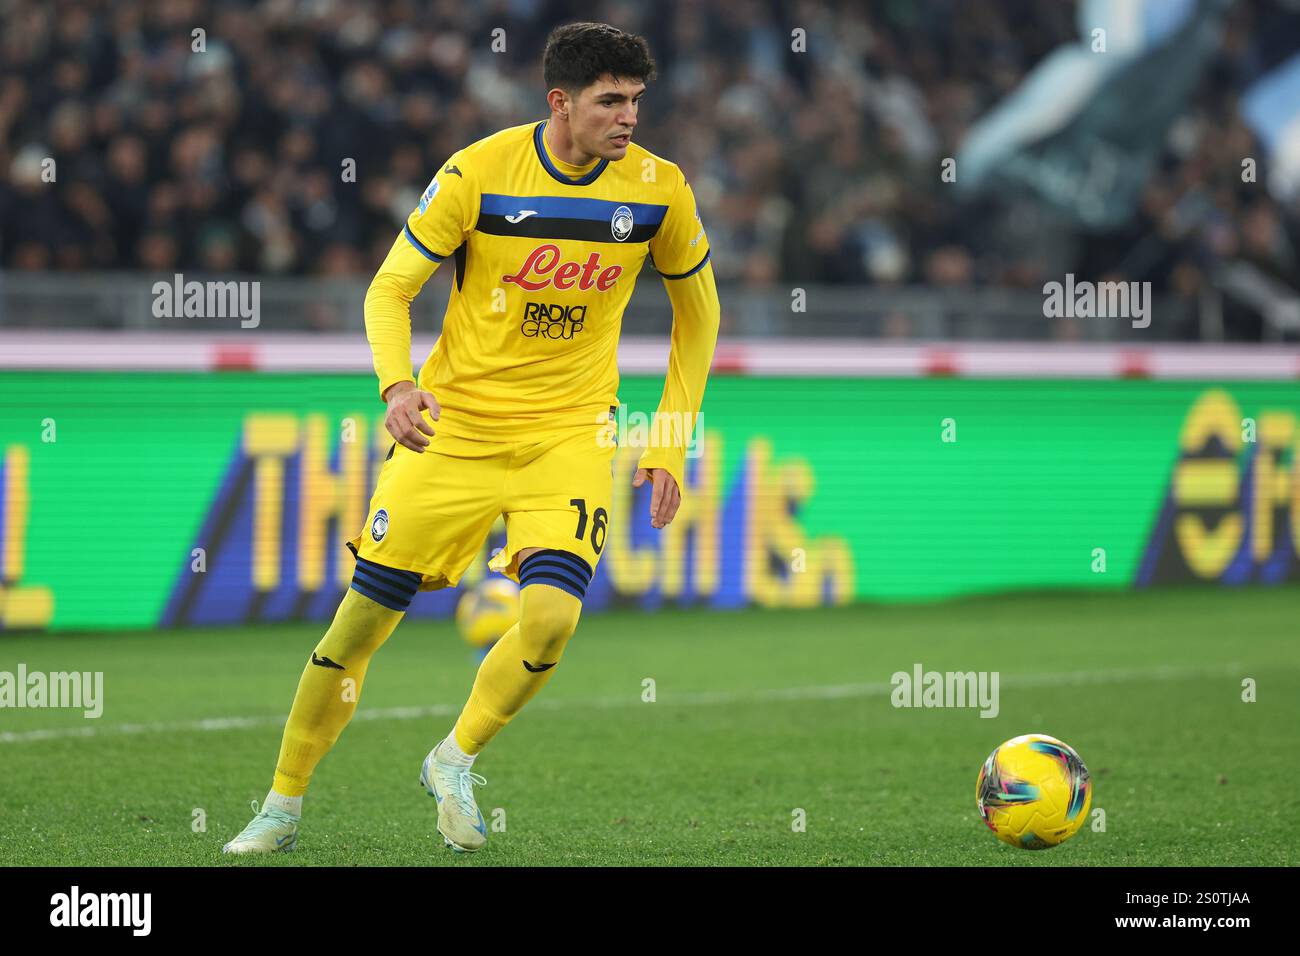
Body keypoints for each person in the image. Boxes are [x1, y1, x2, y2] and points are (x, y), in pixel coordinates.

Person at [223, 21, 720, 855]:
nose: (628, 117)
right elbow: (388, 292)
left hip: (569, 433)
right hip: (451, 434)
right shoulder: (478, 172)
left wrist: (668, 441)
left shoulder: (659, 189)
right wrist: (397, 384)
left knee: (554, 619)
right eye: (610, 101)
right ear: (559, 103)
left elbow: (698, 318)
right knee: (359, 628)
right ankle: (282, 805)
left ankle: (453, 759)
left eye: (636, 100)